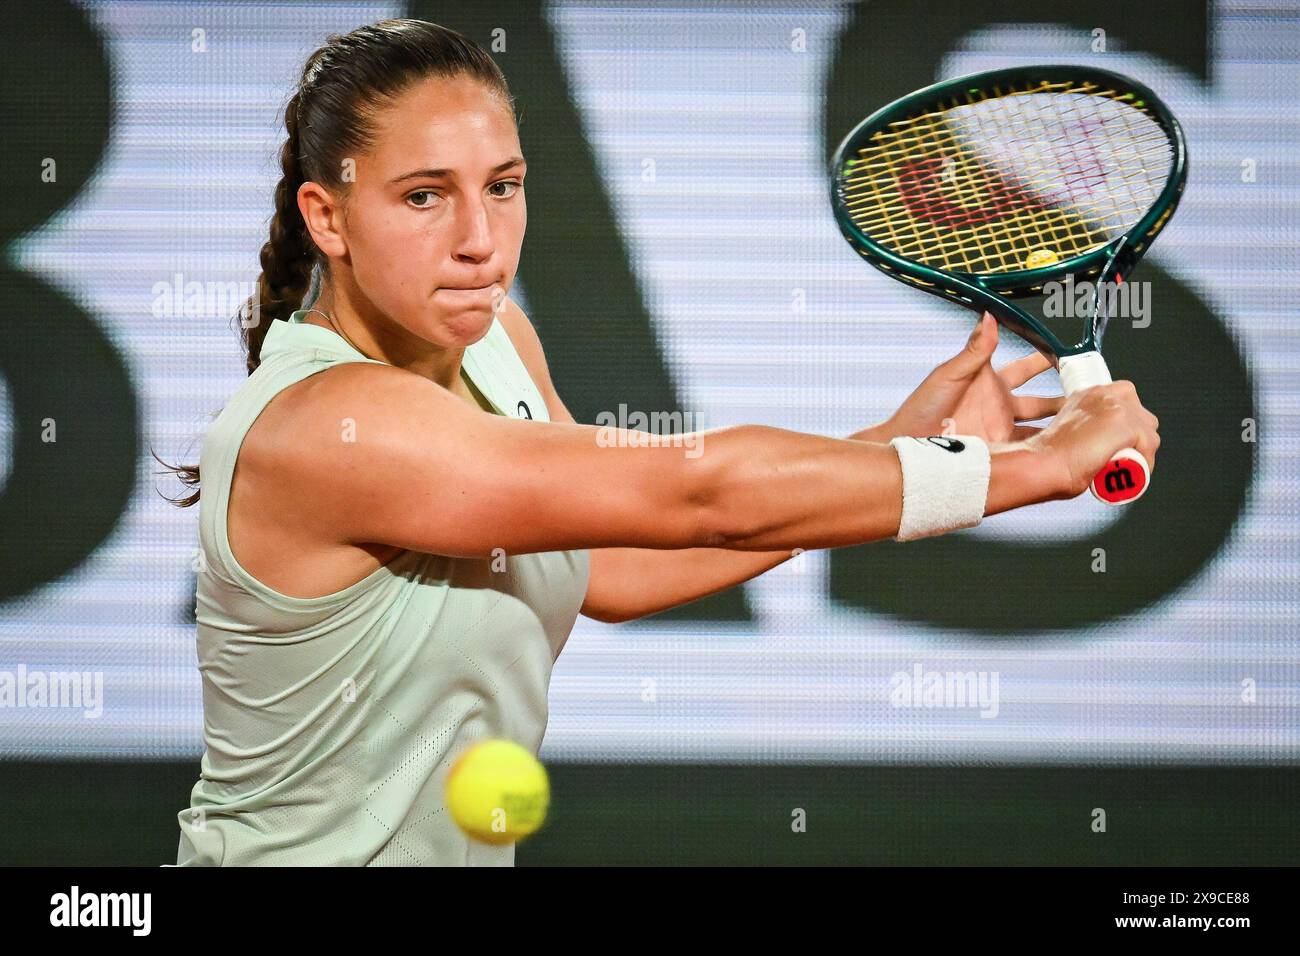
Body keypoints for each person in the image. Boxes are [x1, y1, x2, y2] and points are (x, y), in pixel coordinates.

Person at [161, 18, 1159, 866]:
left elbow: (610, 566)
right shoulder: (332, 428)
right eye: (424, 196)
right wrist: (1028, 469)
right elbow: (699, 490)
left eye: (501, 186)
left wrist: (898, 445)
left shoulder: (495, 340)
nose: (478, 238)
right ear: (327, 218)